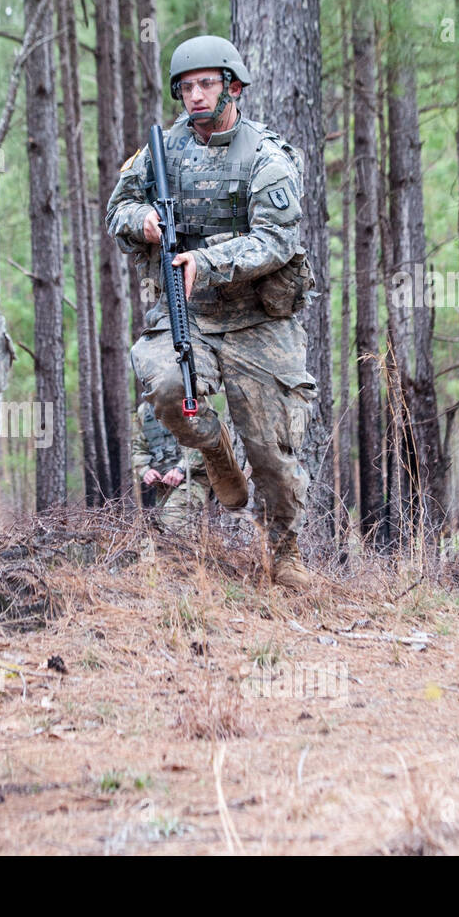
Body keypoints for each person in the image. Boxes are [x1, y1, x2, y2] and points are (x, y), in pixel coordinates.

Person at [106, 35, 317, 591]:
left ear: (234, 87)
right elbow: (116, 208)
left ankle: (284, 549)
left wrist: (208, 258)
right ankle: (215, 451)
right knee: (166, 384)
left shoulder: (268, 157)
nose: (195, 96)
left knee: (273, 451)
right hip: (190, 313)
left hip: (259, 321)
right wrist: (143, 222)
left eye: (207, 84)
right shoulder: (160, 151)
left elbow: (275, 241)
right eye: (186, 87)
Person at [132, 401, 212, 532]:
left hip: (194, 478)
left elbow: (208, 439)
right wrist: (146, 471)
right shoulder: (145, 410)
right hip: (163, 484)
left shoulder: (191, 400)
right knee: (162, 532)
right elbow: (138, 448)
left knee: (173, 523)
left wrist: (181, 468)